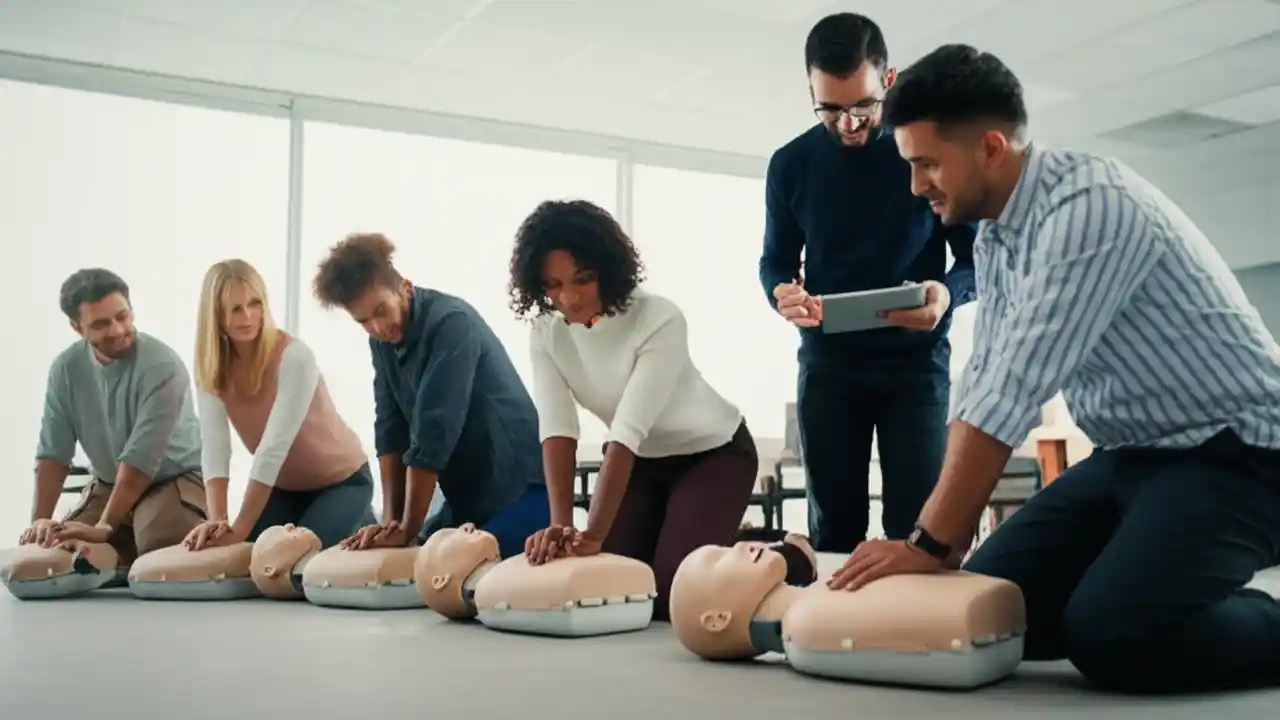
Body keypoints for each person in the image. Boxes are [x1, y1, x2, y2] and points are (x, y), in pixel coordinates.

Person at [827, 43, 1280, 694]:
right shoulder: (1001, 233)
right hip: (1130, 454)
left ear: (989, 147)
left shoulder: (1091, 208)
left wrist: (926, 543)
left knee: (1115, 635)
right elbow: (982, 380)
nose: (915, 185)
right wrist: (945, 545)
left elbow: (1013, 391)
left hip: (1239, 455)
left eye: (927, 163)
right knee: (1003, 616)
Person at [510, 200, 816, 620]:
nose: (569, 297)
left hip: (712, 454)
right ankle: (728, 536)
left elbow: (626, 431)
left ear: (608, 271)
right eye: (553, 284)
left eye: (583, 279)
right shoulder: (545, 333)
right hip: (641, 467)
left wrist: (594, 532)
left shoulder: (659, 317)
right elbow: (558, 429)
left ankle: (786, 552)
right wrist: (563, 527)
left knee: (674, 590)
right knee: (620, 580)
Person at [761, 13, 978, 553]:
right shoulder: (790, 164)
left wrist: (947, 294)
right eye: (830, 109)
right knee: (834, 528)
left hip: (916, 366)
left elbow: (980, 261)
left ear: (890, 80)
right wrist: (781, 293)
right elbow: (775, 260)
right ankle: (834, 634)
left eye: (863, 105)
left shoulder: (929, 154)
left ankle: (913, 632)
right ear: (811, 92)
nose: (850, 123)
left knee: (918, 529)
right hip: (830, 365)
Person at [311, 233, 548, 558]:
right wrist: (393, 523)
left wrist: (408, 529)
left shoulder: (451, 323)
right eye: (363, 321)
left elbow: (434, 430)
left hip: (523, 490)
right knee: (414, 558)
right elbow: (390, 429)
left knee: (449, 565)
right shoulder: (382, 342)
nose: (377, 327)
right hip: (467, 500)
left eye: (381, 310)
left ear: (404, 287)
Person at [17, 268, 208, 567]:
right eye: (101, 324)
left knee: (157, 550)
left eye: (123, 316)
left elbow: (141, 461)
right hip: (108, 482)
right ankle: (117, 547)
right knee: (55, 548)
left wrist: (104, 527)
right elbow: (53, 455)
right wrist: (39, 522)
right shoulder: (65, 369)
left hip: (170, 479)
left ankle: (123, 544)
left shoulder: (163, 366)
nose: (118, 330)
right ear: (77, 327)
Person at [183, 259, 376, 553]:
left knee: (293, 562)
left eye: (254, 303)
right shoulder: (209, 367)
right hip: (284, 490)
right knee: (250, 560)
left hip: (342, 482)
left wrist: (239, 530)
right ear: (215, 315)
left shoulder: (295, 357)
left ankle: (362, 519)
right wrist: (218, 521)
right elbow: (215, 447)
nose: (247, 316)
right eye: (235, 308)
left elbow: (273, 448)